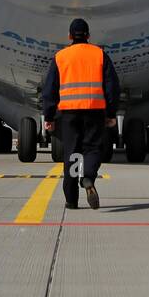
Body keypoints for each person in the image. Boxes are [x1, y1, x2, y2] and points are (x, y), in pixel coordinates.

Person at [41, 18, 119, 210]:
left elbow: (49, 90)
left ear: (69, 36)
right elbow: (112, 87)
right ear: (88, 36)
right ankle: (89, 178)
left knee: (72, 154)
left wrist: (49, 117)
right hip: (94, 110)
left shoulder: (61, 57)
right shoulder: (100, 55)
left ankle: (71, 199)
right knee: (93, 149)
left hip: (69, 113)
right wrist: (110, 113)